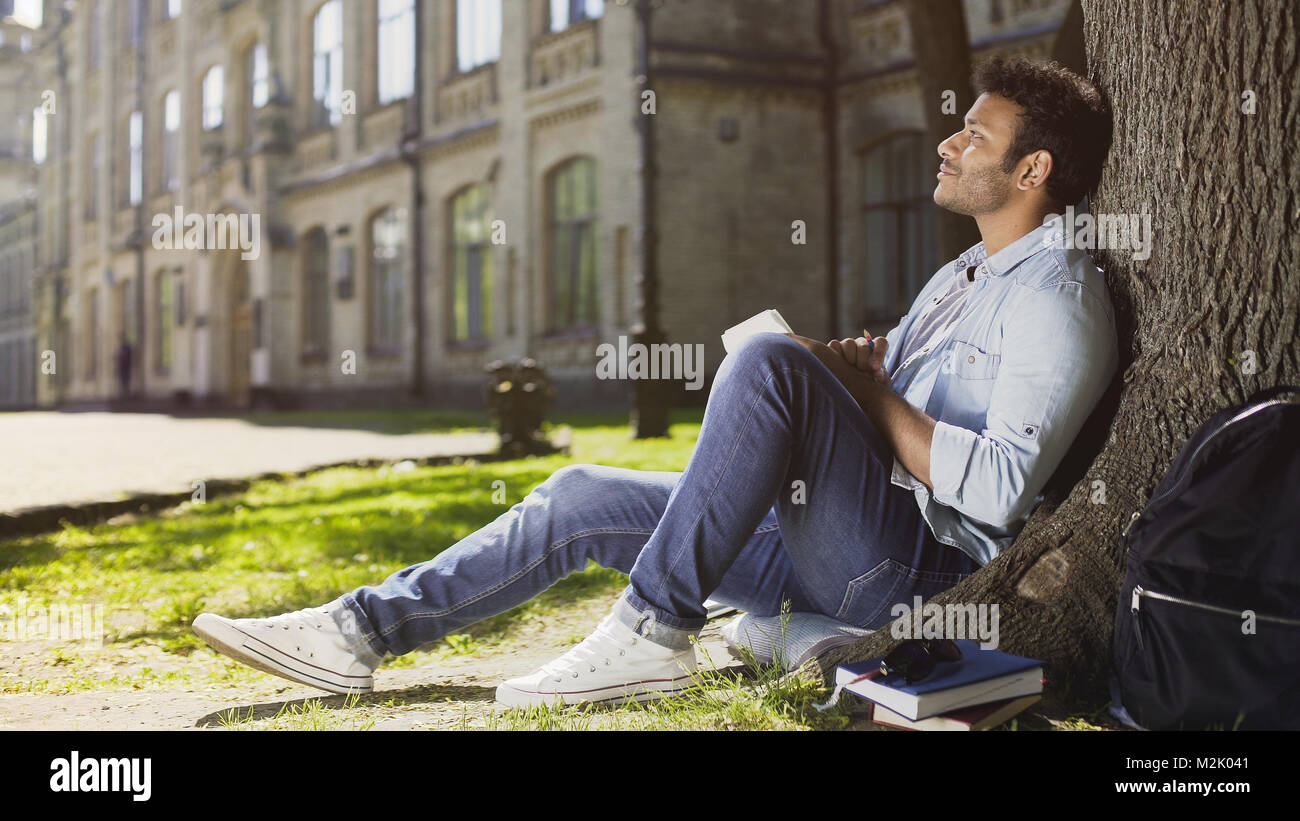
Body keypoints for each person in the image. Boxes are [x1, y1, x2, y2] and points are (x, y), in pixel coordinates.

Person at [192, 56, 1117, 708]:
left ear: (1032, 168)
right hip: (833, 529)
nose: (949, 143)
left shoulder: (1059, 296)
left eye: (974, 134)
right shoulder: (961, 275)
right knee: (579, 490)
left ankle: (650, 629)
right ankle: (358, 630)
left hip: (912, 570)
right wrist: (858, 374)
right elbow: (892, 403)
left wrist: (864, 395)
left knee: (766, 362)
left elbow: (998, 489)